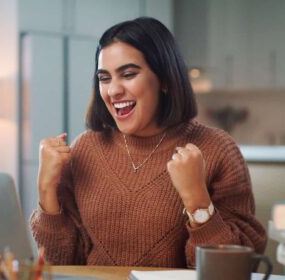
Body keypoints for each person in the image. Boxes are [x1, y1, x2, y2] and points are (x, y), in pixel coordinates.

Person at [30, 17, 266, 268]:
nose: (113, 91)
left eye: (128, 74)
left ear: (164, 79)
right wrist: (46, 189)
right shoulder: (85, 148)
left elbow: (236, 269)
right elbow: (61, 262)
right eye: (104, 78)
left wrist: (197, 199)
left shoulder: (217, 149)